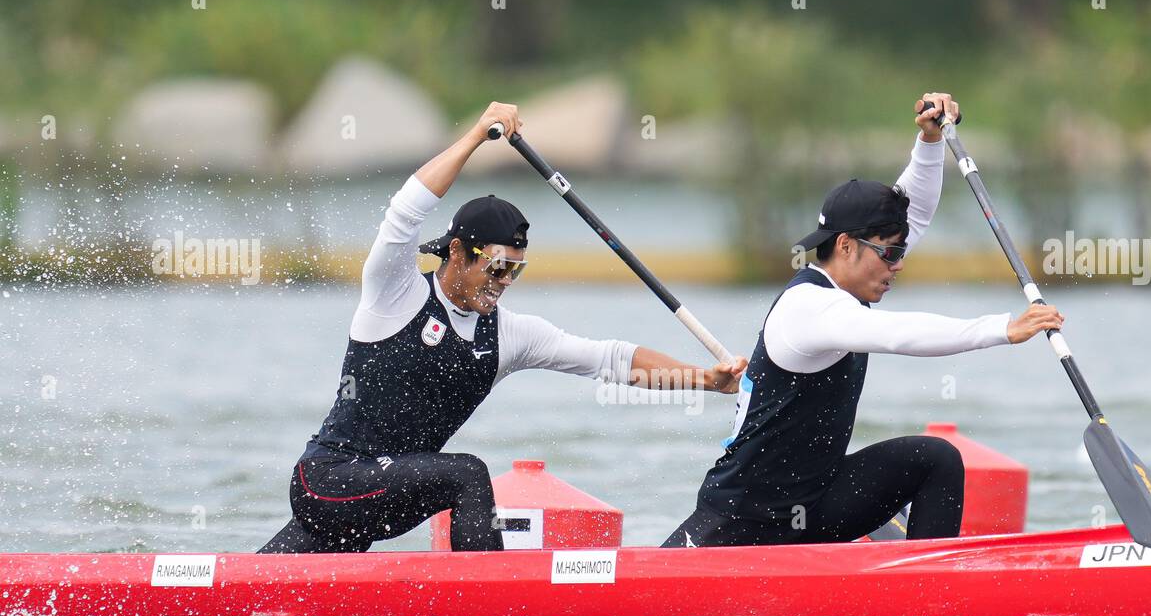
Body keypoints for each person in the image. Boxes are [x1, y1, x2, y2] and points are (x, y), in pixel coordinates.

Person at [261, 102, 744, 554]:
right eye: (495, 267)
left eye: (516, 270)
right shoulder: (395, 293)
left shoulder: (508, 336)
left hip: (381, 498)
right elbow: (404, 211)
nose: (503, 283)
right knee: (467, 474)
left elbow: (611, 359)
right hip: (326, 481)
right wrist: (476, 134)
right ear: (456, 252)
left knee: (266, 600)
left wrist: (705, 379)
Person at [663, 92, 1063, 548]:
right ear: (847, 246)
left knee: (934, 460)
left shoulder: (853, 279)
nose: (900, 263)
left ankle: (928, 592)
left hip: (812, 505)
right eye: (890, 253)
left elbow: (914, 213)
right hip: (742, 519)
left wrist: (930, 143)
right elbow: (898, 334)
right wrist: (1002, 329)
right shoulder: (808, 309)